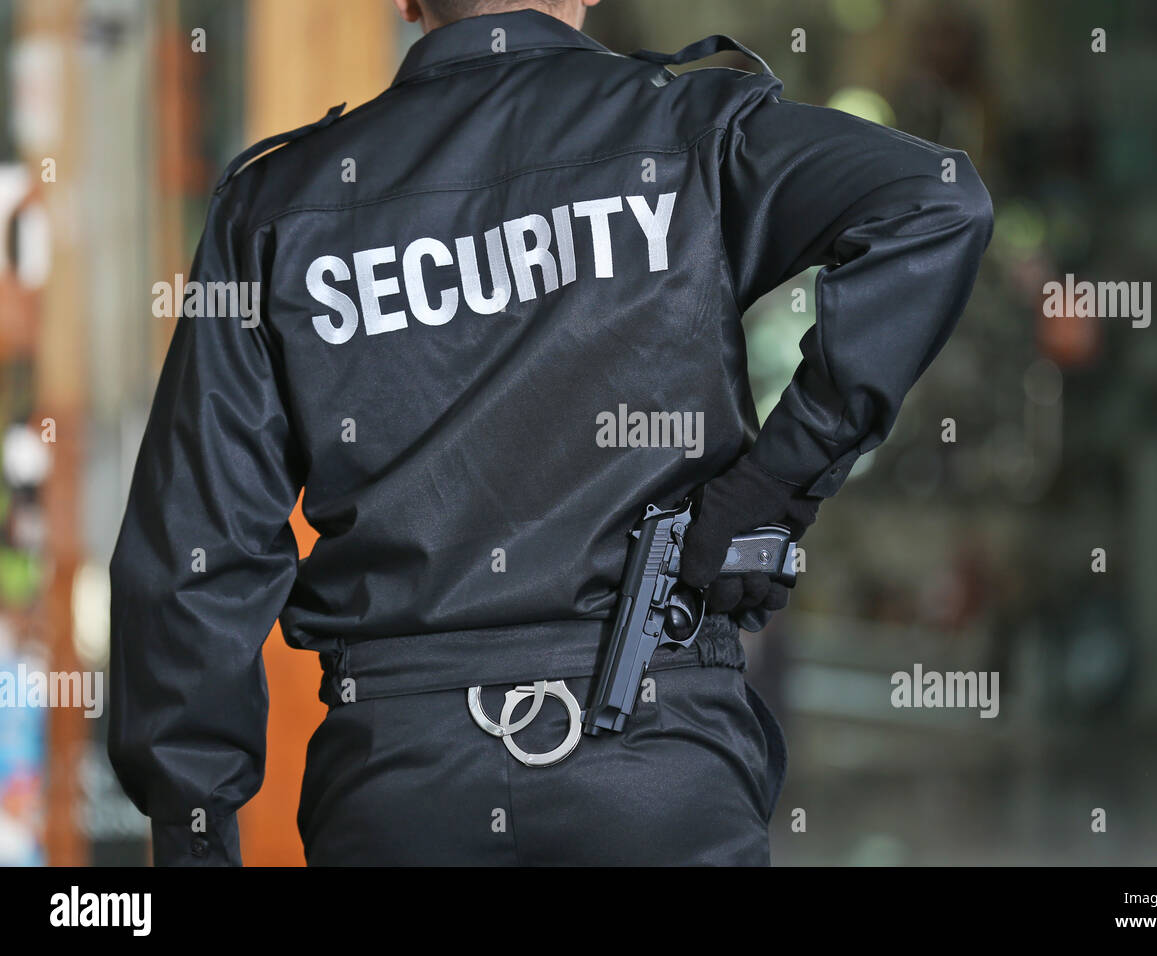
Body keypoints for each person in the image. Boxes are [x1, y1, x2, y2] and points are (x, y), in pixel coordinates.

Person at [108, 0, 993, 866]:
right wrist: (773, 487)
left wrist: (193, 833)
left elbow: (194, 558)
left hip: (399, 788)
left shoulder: (278, 206)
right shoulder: (691, 133)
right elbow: (937, 204)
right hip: (658, 766)